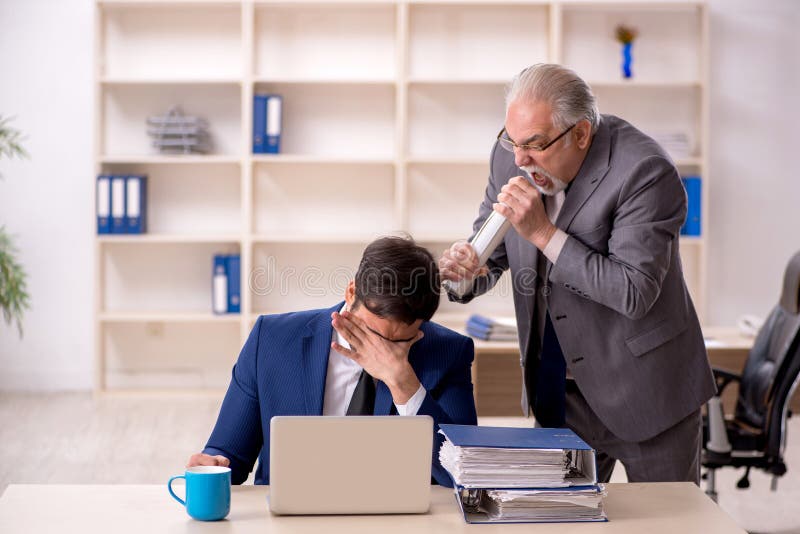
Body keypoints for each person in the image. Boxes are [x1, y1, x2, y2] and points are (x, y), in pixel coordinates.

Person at [439, 64, 715, 484]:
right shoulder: (510, 155)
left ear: (581, 133)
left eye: (534, 144)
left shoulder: (645, 172)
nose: (519, 159)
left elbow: (632, 291)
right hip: (558, 392)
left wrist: (543, 233)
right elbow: (492, 253)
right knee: (558, 518)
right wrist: (465, 269)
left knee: (669, 521)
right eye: (511, 140)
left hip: (647, 390)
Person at [187, 235, 477, 486]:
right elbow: (229, 455)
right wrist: (212, 464)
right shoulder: (272, 340)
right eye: (370, 333)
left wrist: (403, 382)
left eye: (398, 341)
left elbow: (465, 474)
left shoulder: (448, 352)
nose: (380, 349)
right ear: (351, 292)